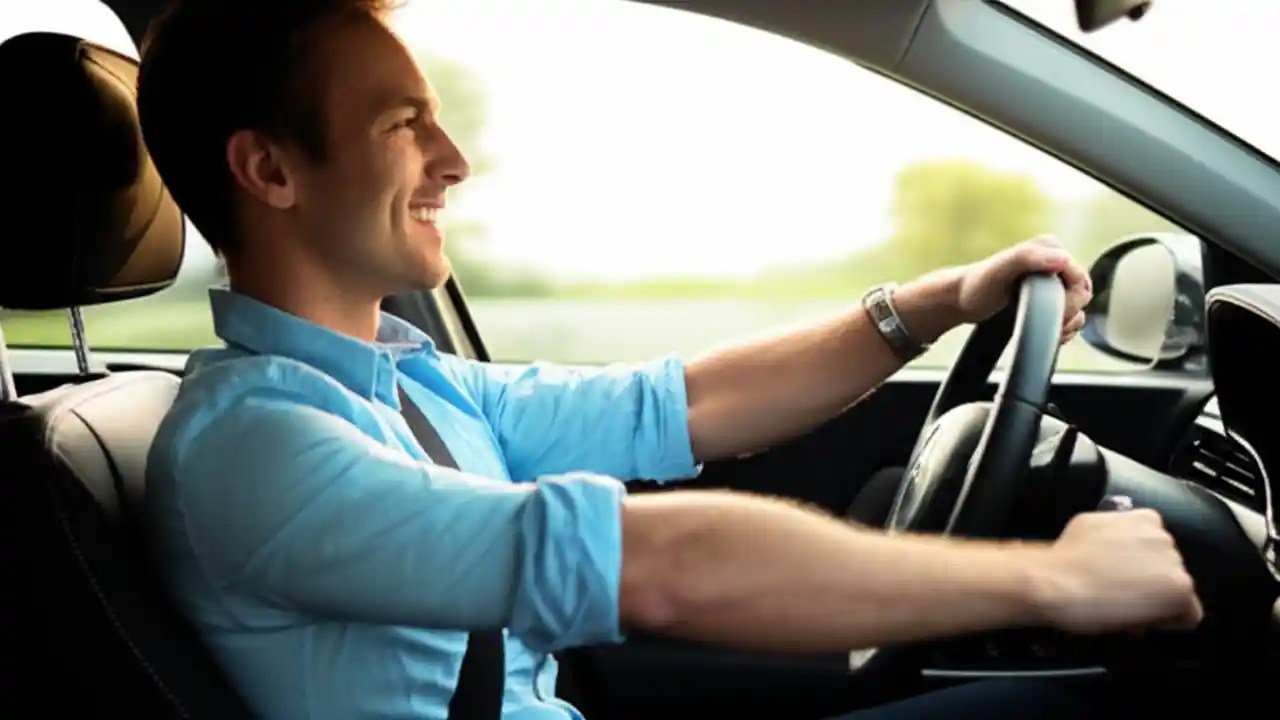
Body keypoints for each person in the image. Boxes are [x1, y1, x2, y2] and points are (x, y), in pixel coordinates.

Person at [134, 1, 1202, 718]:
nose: (454, 162)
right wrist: (1049, 580)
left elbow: (676, 403)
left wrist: (930, 304)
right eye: (405, 127)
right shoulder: (254, 444)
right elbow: (655, 566)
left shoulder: (404, 379)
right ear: (270, 170)